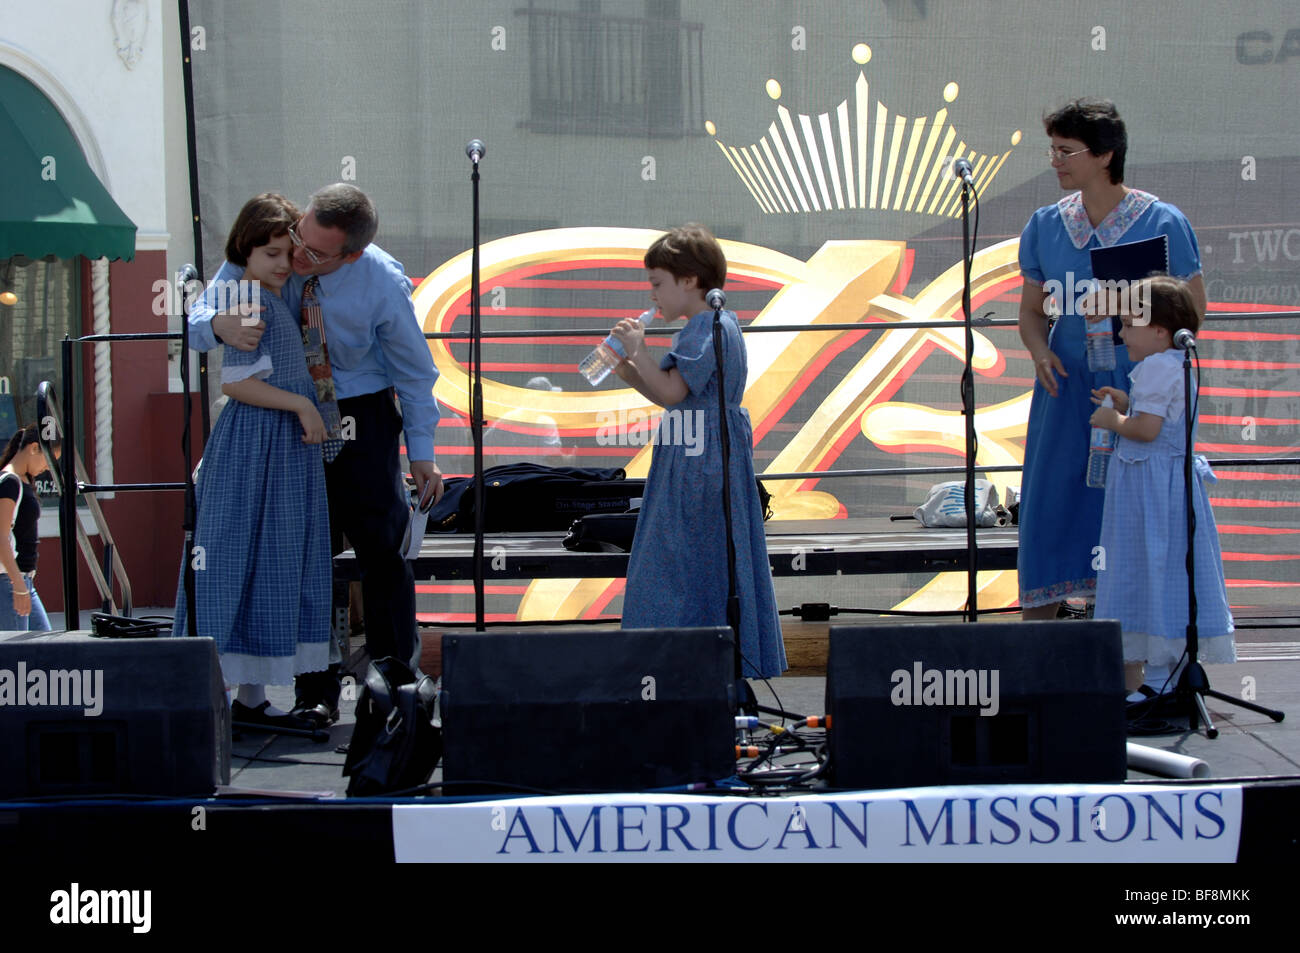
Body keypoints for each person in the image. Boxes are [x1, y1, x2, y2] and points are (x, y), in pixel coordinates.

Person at [189, 184, 442, 727]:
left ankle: (394, 686)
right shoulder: (274, 248)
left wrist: (422, 450)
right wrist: (216, 324)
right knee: (299, 554)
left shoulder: (381, 281)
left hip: (359, 413)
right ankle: (314, 692)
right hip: (285, 420)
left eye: (315, 254)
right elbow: (201, 316)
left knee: (382, 551)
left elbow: (415, 372)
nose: (298, 257)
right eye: (299, 239)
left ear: (350, 254)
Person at [1016, 98, 1206, 620]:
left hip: (1136, 386)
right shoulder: (1045, 225)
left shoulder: (1164, 221)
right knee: (1052, 502)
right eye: (1052, 149)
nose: (1055, 160)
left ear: (1105, 155)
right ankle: (1039, 650)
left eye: (1066, 150)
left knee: (1131, 503)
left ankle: (1133, 655)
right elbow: (1032, 313)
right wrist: (1038, 353)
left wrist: (1125, 315)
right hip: (1065, 385)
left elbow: (1192, 314)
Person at [172, 193, 331, 728]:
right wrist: (303, 404)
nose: (283, 263)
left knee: (271, 561)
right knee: (234, 555)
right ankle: (217, 693)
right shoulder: (244, 291)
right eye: (271, 254)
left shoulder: (271, 287)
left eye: (288, 253)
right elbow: (237, 380)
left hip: (281, 447)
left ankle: (250, 699)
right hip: (254, 444)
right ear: (246, 252)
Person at [608, 224, 786, 679]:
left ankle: (677, 662)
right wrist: (629, 367)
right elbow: (674, 393)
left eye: (657, 284)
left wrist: (639, 350)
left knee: (680, 562)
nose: (653, 297)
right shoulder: (707, 326)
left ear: (689, 280)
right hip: (700, 452)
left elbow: (671, 393)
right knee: (693, 560)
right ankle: (689, 660)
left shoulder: (707, 328)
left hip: (700, 461)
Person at [1089, 275, 1234, 701]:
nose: (1121, 333)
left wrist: (1113, 421)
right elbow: (1163, 417)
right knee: (1170, 570)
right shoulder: (1175, 366)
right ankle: (1171, 668)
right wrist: (1128, 402)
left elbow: (1148, 431)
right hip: (1170, 486)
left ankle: (1158, 678)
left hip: (1150, 491)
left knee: (1149, 569)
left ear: (1159, 330)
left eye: (1129, 325)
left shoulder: (1154, 367)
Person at [0, 424, 57, 632]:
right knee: (17, 659)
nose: (48, 468)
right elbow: (1, 537)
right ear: (33, 448)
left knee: (44, 649)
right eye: (48, 460)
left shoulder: (22, 480)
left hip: (22, 581)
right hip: (10, 581)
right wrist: (18, 584)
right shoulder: (9, 483)